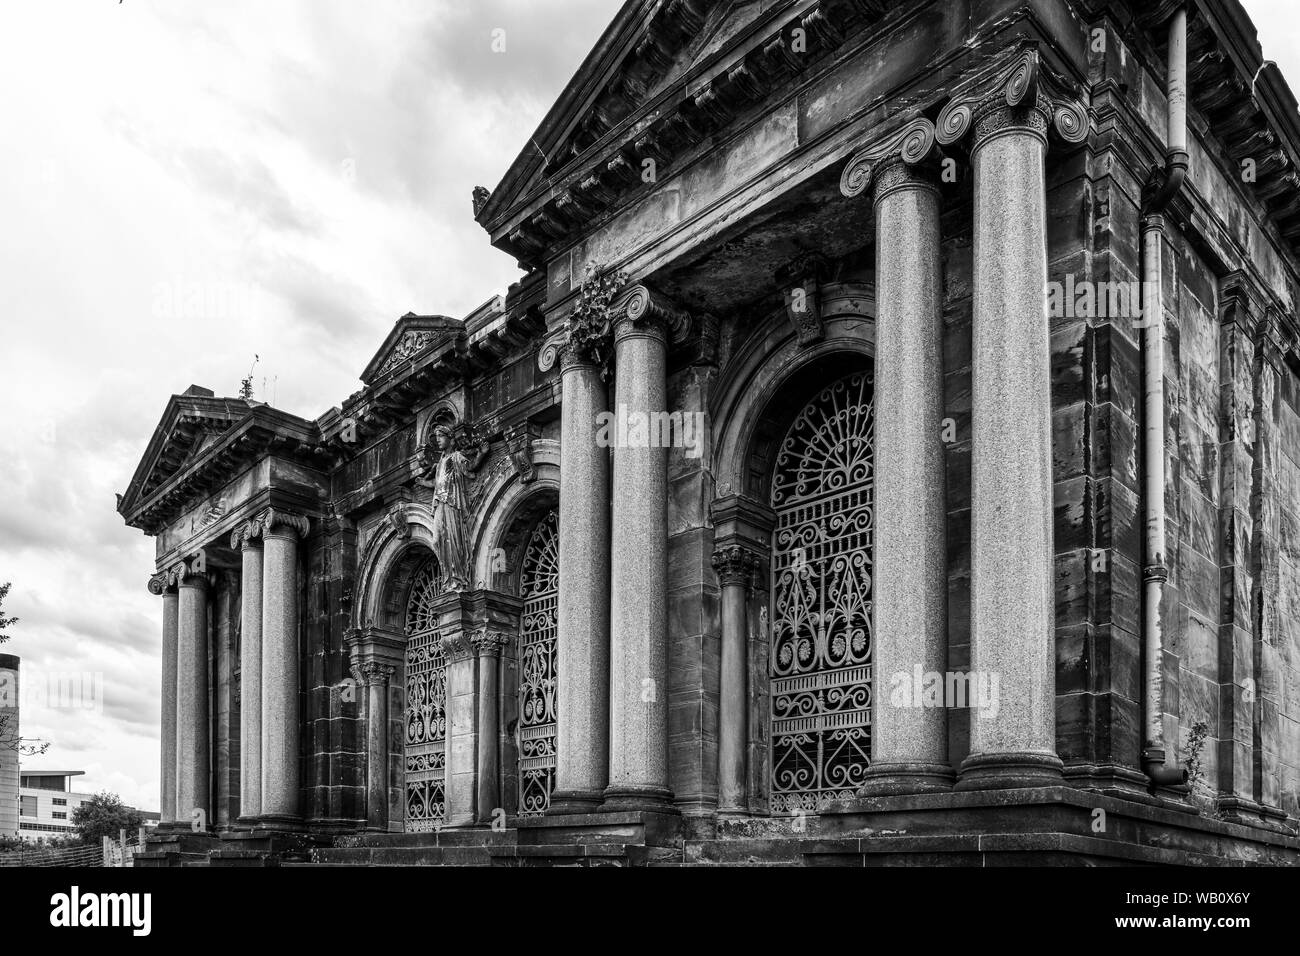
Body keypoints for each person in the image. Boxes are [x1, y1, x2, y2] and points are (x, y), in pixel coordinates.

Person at [415, 424, 487, 591]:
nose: (438, 440)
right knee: (437, 539)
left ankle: (457, 577)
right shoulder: (440, 462)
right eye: (437, 437)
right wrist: (423, 482)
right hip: (440, 502)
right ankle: (448, 577)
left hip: (452, 503)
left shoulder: (456, 457)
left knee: (453, 538)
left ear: (450, 438)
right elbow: (437, 483)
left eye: (441, 436)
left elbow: (470, 466)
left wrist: (482, 454)